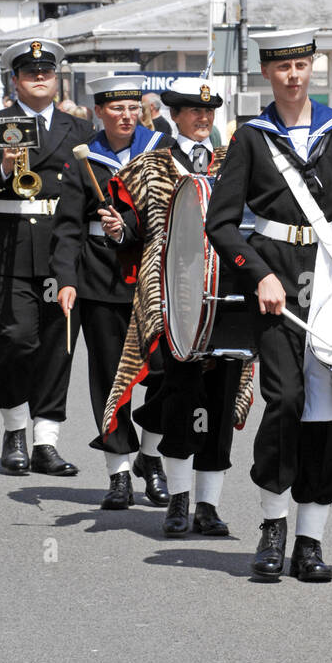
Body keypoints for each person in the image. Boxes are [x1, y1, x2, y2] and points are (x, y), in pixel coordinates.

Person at [205, 29, 332, 581]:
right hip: (274, 282)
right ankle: (273, 522)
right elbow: (221, 224)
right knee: (282, 399)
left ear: (313, 67)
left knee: (322, 410)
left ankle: (311, 538)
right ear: (267, 72)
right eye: (282, 66)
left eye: (301, 65)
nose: (292, 75)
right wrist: (257, 274)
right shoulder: (251, 138)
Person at [100, 78, 245, 537]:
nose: (203, 119)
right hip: (173, 302)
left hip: (227, 300)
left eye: (209, 112)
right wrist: (119, 231)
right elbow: (135, 234)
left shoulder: (234, 164)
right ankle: (178, 503)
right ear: (174, 114)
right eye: (192, 112)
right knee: (180, 398)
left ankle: (209, 507)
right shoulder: (149, 166)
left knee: (220, 401)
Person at [0, 39, 93, 475]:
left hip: (62, 249)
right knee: (17, 339)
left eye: (47, 72)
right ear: (15, 80)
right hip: (11, 245)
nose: (40, 77)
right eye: (30, 72)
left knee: (58, 347)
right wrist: (2, 166)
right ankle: (14, 427)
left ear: (57, 79)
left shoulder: (77, 130)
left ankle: (46, 441)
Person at [49, 74, 173, 509]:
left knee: (166, 372)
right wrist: (66, 280)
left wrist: (132, 227)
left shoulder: (159, 148)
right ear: (99, 112)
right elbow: (65, 227)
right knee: (108, 379)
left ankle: (152, 456)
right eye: (116, 109)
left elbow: (171, 213)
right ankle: (119, 472)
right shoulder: (84, 156)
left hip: (153, 280)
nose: (126, 116)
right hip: (99, 280)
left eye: (133, 108)